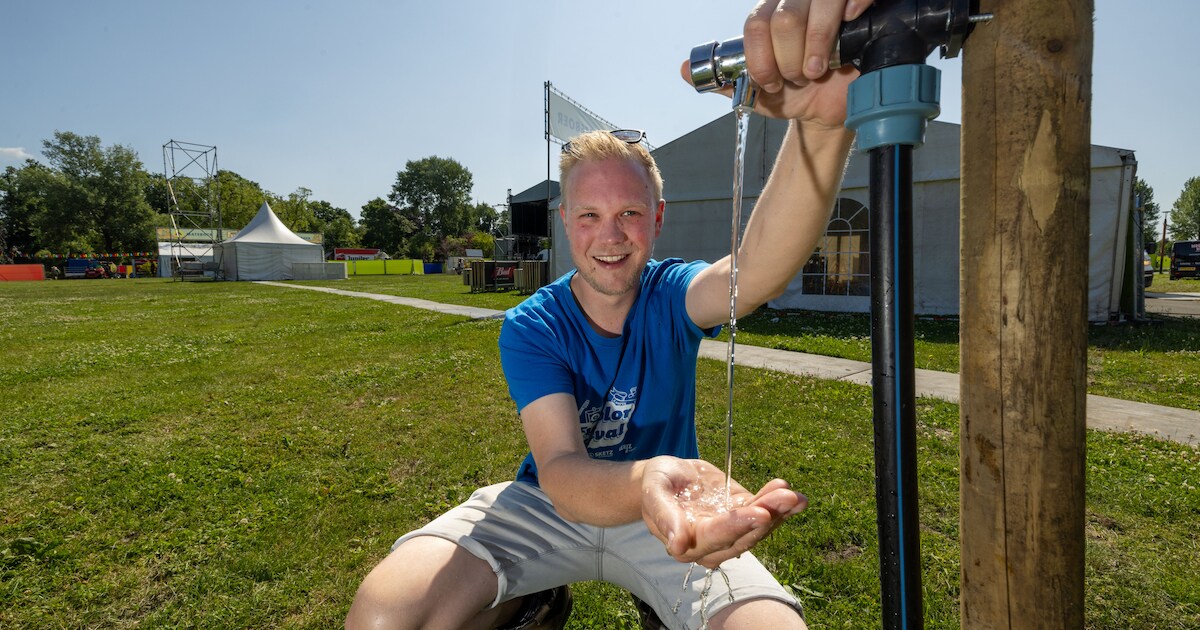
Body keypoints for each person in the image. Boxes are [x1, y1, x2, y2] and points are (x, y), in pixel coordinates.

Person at [347, 1, 867, 627]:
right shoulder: (534, 325)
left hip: (680, 503)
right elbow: (561, 470)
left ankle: (657, 603)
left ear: (657, 219)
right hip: (551, 504)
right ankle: (533, 598)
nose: (609, 236)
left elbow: (749, 274)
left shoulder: (668, 294)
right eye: (589, 216)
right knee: (387, 615)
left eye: (629, 213)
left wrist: (821, 124)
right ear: (565, 223)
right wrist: (643, 481)